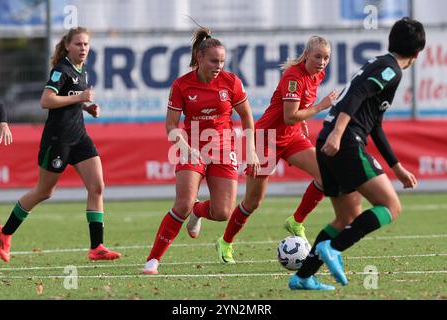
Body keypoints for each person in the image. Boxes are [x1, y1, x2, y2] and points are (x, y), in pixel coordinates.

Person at [289, 17, 425, 290]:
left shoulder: (379, 63)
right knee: (391, 206)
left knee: (346, 217)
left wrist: (396, 166)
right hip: (344, 141)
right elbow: (357, 95)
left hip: (328, 140)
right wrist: (340, 134)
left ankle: (302, 276)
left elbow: (375, 124)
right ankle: (335, 248)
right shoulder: (390, 70)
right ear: (417, 53)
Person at [142, 26, 259, 275]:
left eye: (222, 61)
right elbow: (170, 125)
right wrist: (184, 146)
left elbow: (247, 116)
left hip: (223, 146)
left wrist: (251, 149)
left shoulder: (231, 82)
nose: (219, 65)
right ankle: (153, 260)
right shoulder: (182, 85)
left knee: (222, 213)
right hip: (192, 145)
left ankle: (198, 211)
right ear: (199, 58)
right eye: (214, 60)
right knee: (182, 203)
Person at [0, 27, 121, 262]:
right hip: (58, 139)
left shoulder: (81, 70)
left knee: (97, 186)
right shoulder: (61, 70)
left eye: (85, 44)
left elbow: (70, 98)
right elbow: (46, 100)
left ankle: (97, 247)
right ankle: (4, 233)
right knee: (44, 191)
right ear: (67, 46)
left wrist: (86, 107)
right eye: (78, 44)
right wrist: (80, 98)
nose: (83, 48)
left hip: (79, 137)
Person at [216, 36, 338, 264]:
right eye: (318, 56)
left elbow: (296, 110)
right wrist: (320, 107)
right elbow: (289, 115)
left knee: (327, 174)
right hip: (266, 138)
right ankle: (225, 242)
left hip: (290, 137)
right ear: (307, 55)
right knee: (253, 202)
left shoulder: (317, 75)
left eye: (326, 57)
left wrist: (303, 119)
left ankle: (296, 221)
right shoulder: (294, 77)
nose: (322, 62)